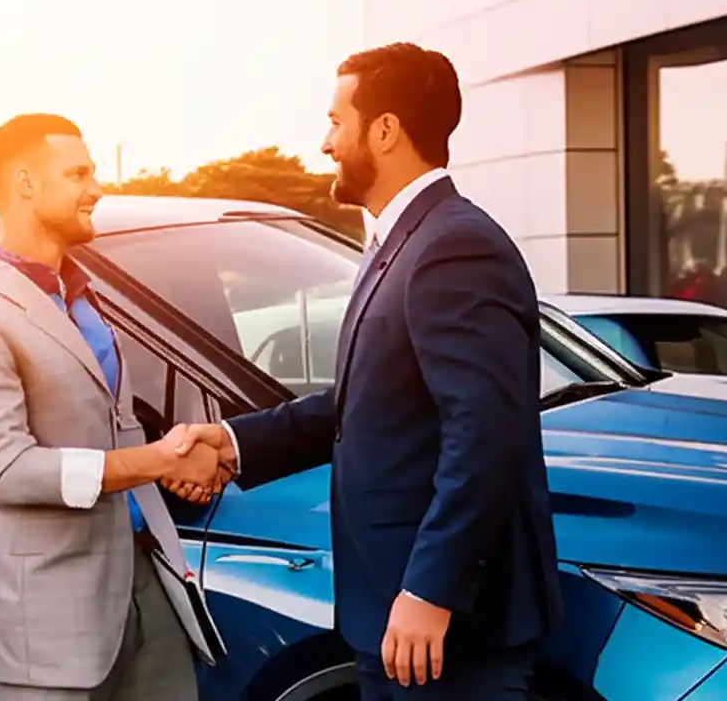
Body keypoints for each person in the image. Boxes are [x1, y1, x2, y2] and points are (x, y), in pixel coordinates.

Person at [173, 43, 564, 699]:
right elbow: (368, 403)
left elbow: (485, 434)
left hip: (445, 630)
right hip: (393, 614)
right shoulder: (403, 241)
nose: (326, 143)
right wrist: (237, 443)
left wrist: (430, 590)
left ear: (384, 130)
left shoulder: (452, 246)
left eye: (335, 121)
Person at [0, 113, 218, 701]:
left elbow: (116, 423)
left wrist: (192, 456)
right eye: (79, 173)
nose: (96, 188)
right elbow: (7, 471)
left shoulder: (81, 295)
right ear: (26, 184)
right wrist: (158, 462)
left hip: (148, 593)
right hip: (52, 630)